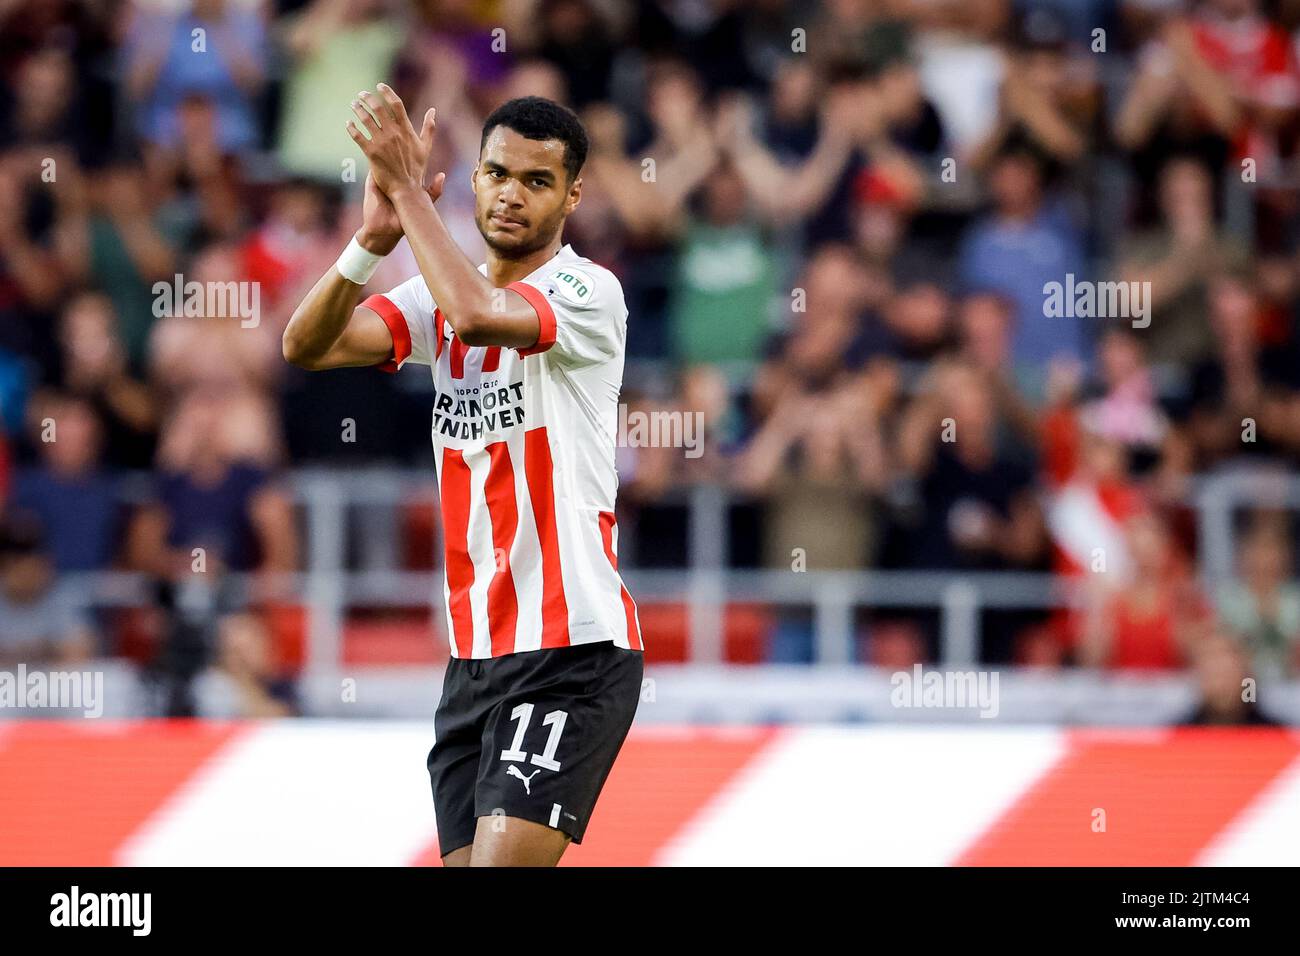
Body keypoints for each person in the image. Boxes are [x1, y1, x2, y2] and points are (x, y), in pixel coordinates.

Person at [283, 92, 644, 867]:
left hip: (570, 646)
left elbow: (481, 315)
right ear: (475, 177)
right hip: (475, 658)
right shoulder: (436, 298)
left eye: (537, 182)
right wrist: (369, 242)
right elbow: (307, 345)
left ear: (572, 196)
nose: (511, 193)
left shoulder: (587, 294)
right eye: (497, 173)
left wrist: (409, 193)